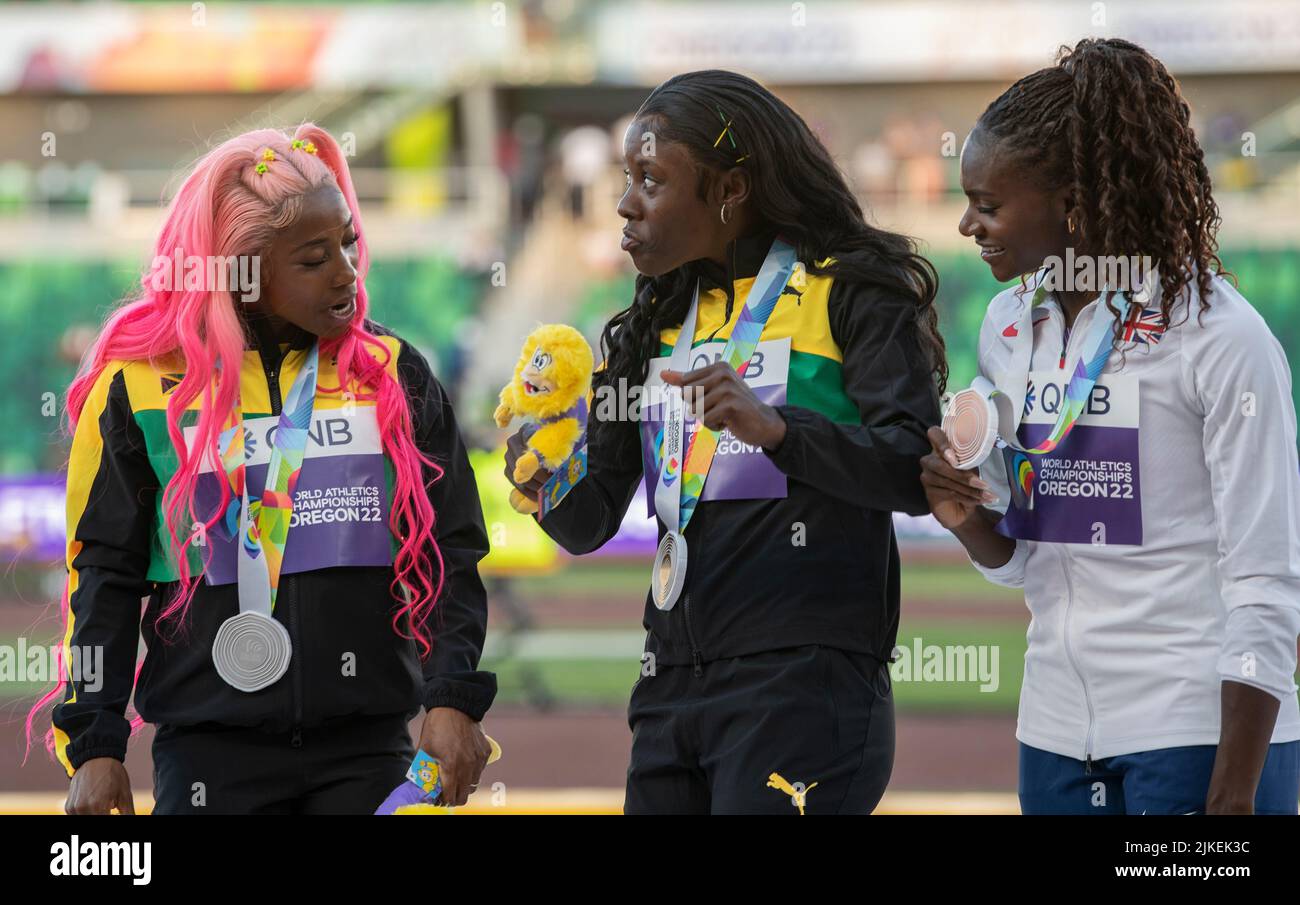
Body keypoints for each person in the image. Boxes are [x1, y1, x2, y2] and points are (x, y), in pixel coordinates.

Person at [505, 70, 945, 814]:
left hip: (803, 689)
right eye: (626, 177)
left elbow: (913, 467)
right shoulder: (651, 324)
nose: (624, 202)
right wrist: (539, 467)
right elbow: (590, 520)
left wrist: (779, 430)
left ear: (731, 190)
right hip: (669, 684)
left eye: (651, 178)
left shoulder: (852, 292)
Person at [27, 125, 497, 815]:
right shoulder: (138, 390)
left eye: (348, 244)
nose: (345, 271)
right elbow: (103, 576)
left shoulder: (392, 375)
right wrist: (95, 744)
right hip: (206, 757)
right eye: (314, 258)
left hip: (367, 754)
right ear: (240, 270)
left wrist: (453, 696)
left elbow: (449, 550)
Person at [922, 38, 1300, 814]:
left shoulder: (1219, 338)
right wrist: (966, 518)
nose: (967, 224)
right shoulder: (1005, 326)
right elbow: (1031, 562)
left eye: (989, 205)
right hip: (1055, 731)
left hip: (1195, 735)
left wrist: (1234, 793)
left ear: (1072, 203)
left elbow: (1267, 577)